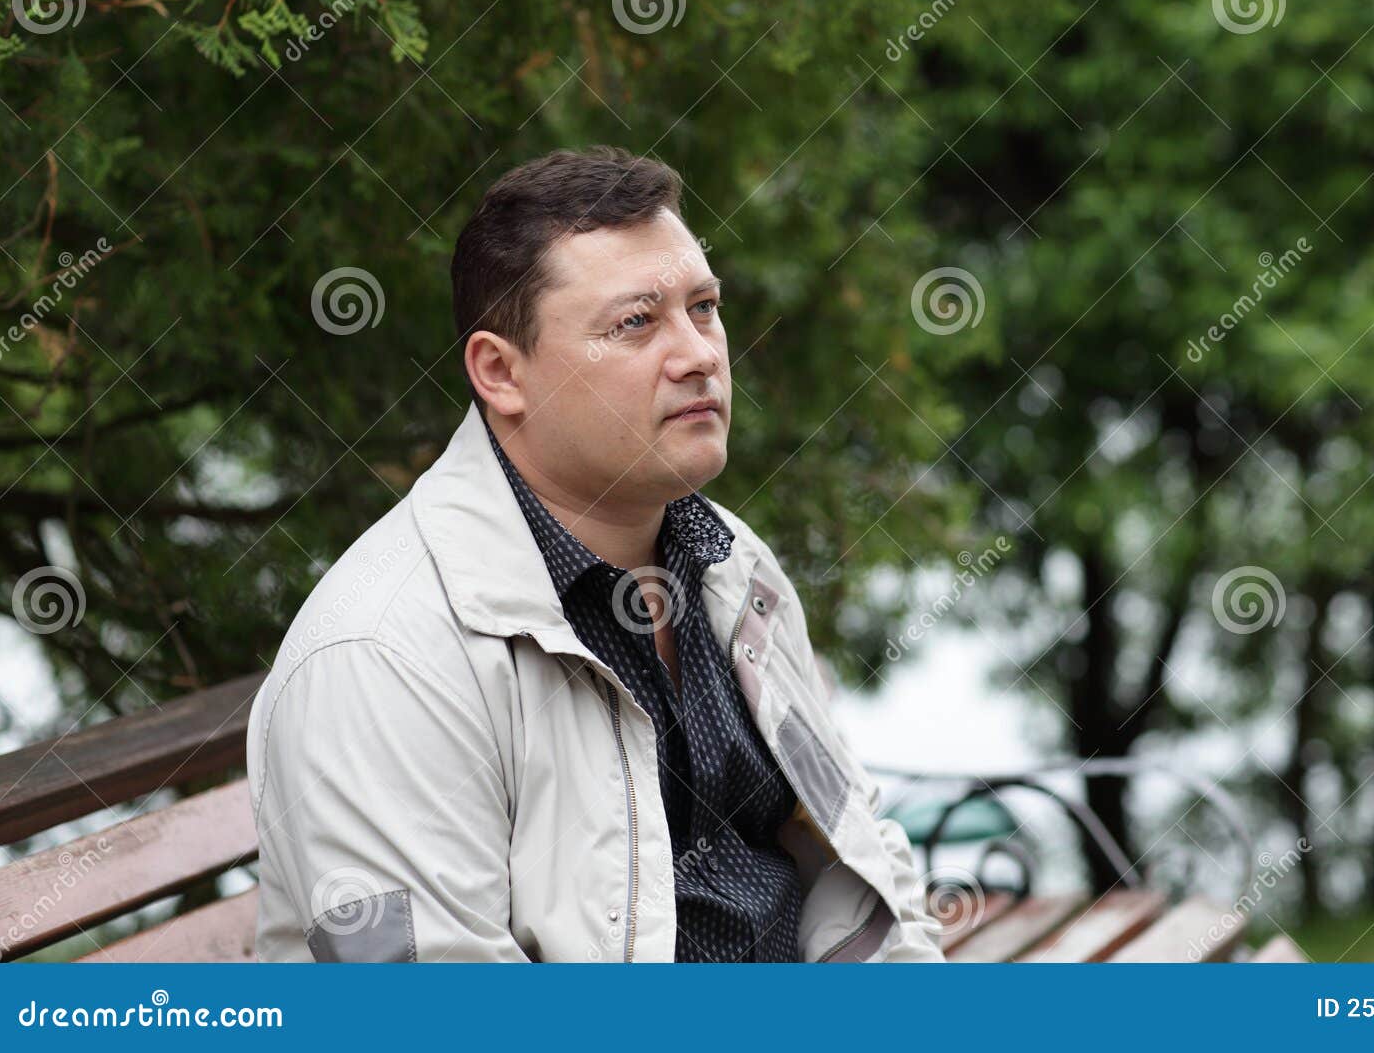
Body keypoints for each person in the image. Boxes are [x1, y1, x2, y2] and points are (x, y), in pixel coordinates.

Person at [246, 146, 946, 962]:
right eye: (635, 322)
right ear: (500, 372)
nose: (699, 354)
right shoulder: (380, 655)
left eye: (704, 307)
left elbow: (858, 849)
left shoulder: (730, 564)